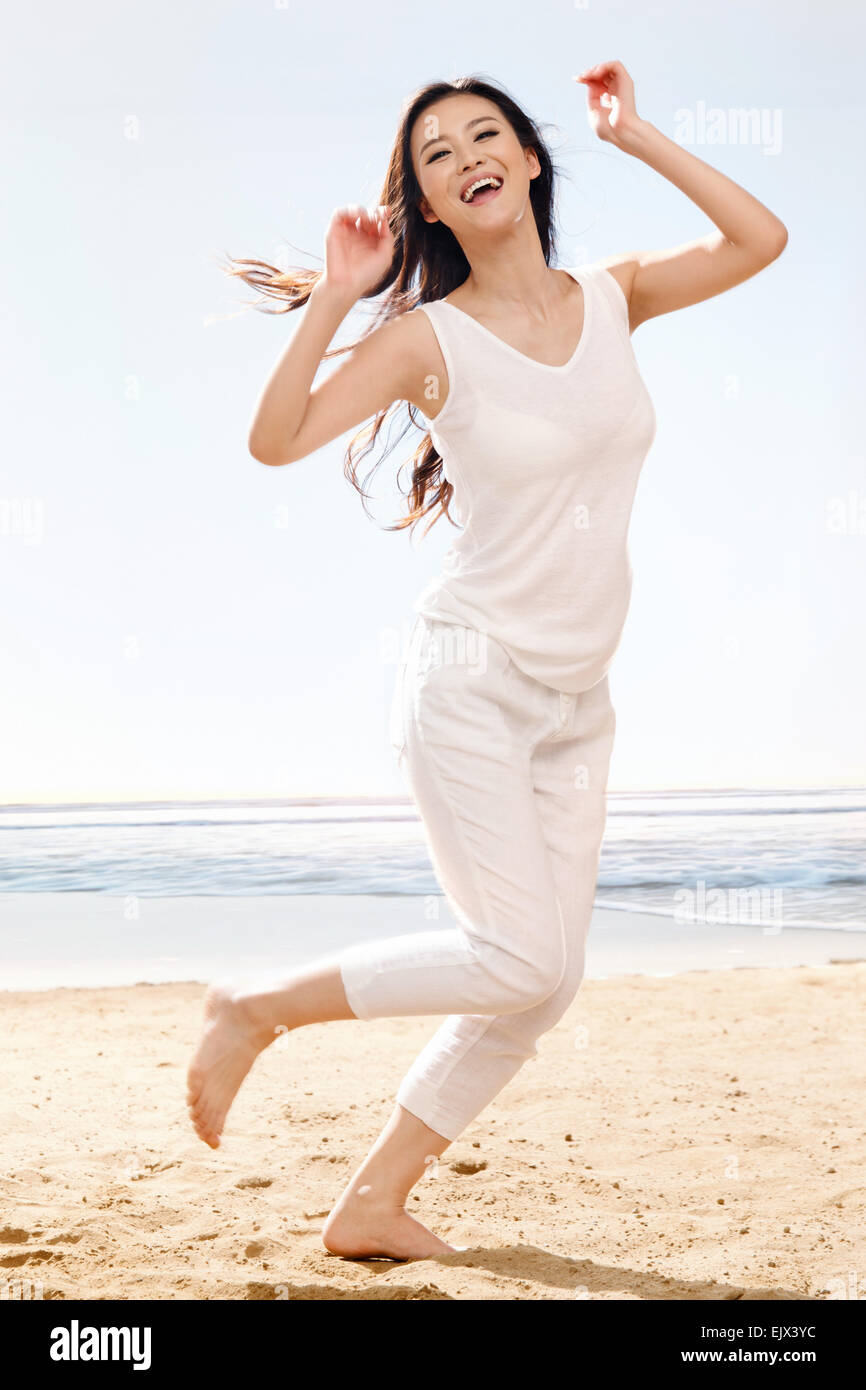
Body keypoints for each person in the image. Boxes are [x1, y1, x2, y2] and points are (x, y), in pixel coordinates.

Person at [186, 63, 787, 1261]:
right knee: (516, 953)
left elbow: (757, 237)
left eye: (486, 133)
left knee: (539, 986)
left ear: (524, 159)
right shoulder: (425, 340)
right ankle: (252, 1008)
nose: (466, 152)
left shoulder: (612, 297)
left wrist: (635, 133)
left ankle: (368, 1205)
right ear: (432, 206)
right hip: (468, 680)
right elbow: (276, 440)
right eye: (434, 154)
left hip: (576, 700)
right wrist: (337, 298)